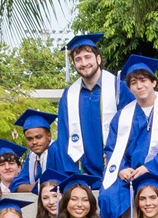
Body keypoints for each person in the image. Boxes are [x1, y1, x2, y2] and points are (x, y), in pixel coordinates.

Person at [100, 54, 158, 218]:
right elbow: (112, 148)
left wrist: (149, 168)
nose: (139, 86)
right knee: (108, 196)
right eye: (133, 83)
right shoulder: (122, 116)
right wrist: (121, 168)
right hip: (128, 173)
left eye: (143, 80)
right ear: (129, 88)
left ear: (153, 82)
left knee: (149, 191)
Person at [54, 33, 133, 177]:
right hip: (83, 174)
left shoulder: (119, 89)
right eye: (78, 59)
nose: (83, 63)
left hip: (118, 170)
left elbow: (132, 130)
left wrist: (124, 166)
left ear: (98, 58)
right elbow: (64, 136)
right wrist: (73, 173)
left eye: (87, 57)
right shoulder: (69, 96)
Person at [14, 109, 62, 193]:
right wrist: (35, 187)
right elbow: (16, 184)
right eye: (29, 139)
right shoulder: (31, 156)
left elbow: (62, 182)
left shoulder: (58, 152)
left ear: (49, 136)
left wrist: (35, 187)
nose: (34, 142)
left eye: (39, 137)